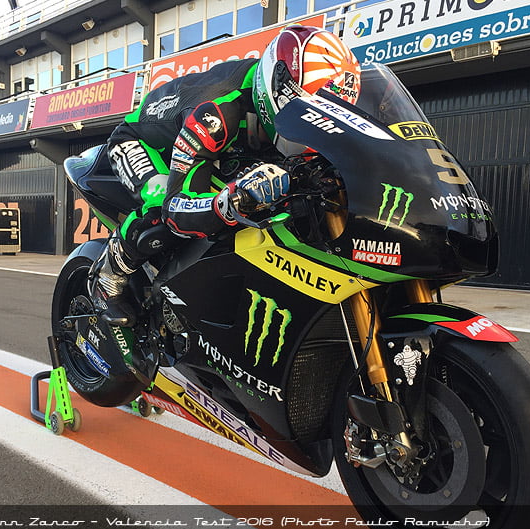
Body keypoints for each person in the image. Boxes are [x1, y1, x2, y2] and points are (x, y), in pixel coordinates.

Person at [90, 25, 362, 326]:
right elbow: (177, 208)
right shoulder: (217, 110)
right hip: (143, 142)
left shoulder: (278, 100)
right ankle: (107, 279)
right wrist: (231, 201)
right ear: (279, 87)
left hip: (219, 150)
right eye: (306, 109)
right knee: (159, 202)